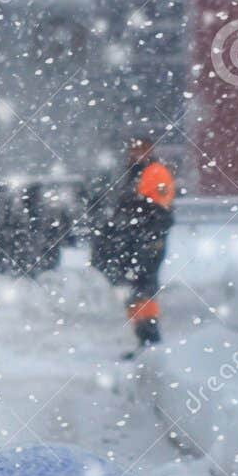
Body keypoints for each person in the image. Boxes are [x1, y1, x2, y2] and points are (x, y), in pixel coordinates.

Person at [91, 137, 175, 348]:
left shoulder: (155, 173)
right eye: (133, 150)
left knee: (144, 288)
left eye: (141, 150)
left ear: (150, 151)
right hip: (133, 239)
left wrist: (148, 233)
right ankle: (142, 336)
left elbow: (160, 209)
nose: (136, 154)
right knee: (133, 289)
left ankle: (150, 336)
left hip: (147, 240)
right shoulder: (132, 174)